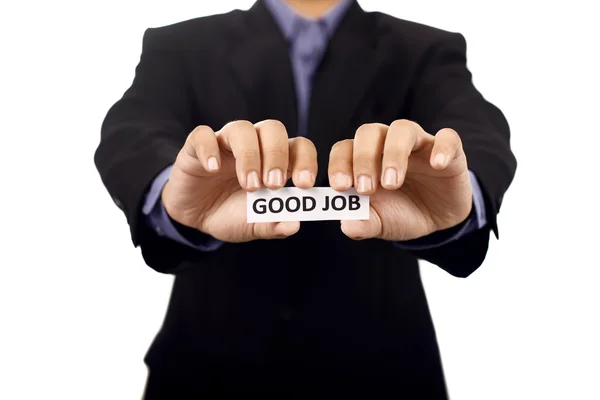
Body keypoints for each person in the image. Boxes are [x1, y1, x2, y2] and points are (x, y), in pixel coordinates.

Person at [94, 0, 517, 398]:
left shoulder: (424, 49)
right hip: (207, 367)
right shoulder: (180, 45)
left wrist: (461, 202)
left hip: (382, 370)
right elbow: (132, 133)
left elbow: (477, 135)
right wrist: (171, 194)